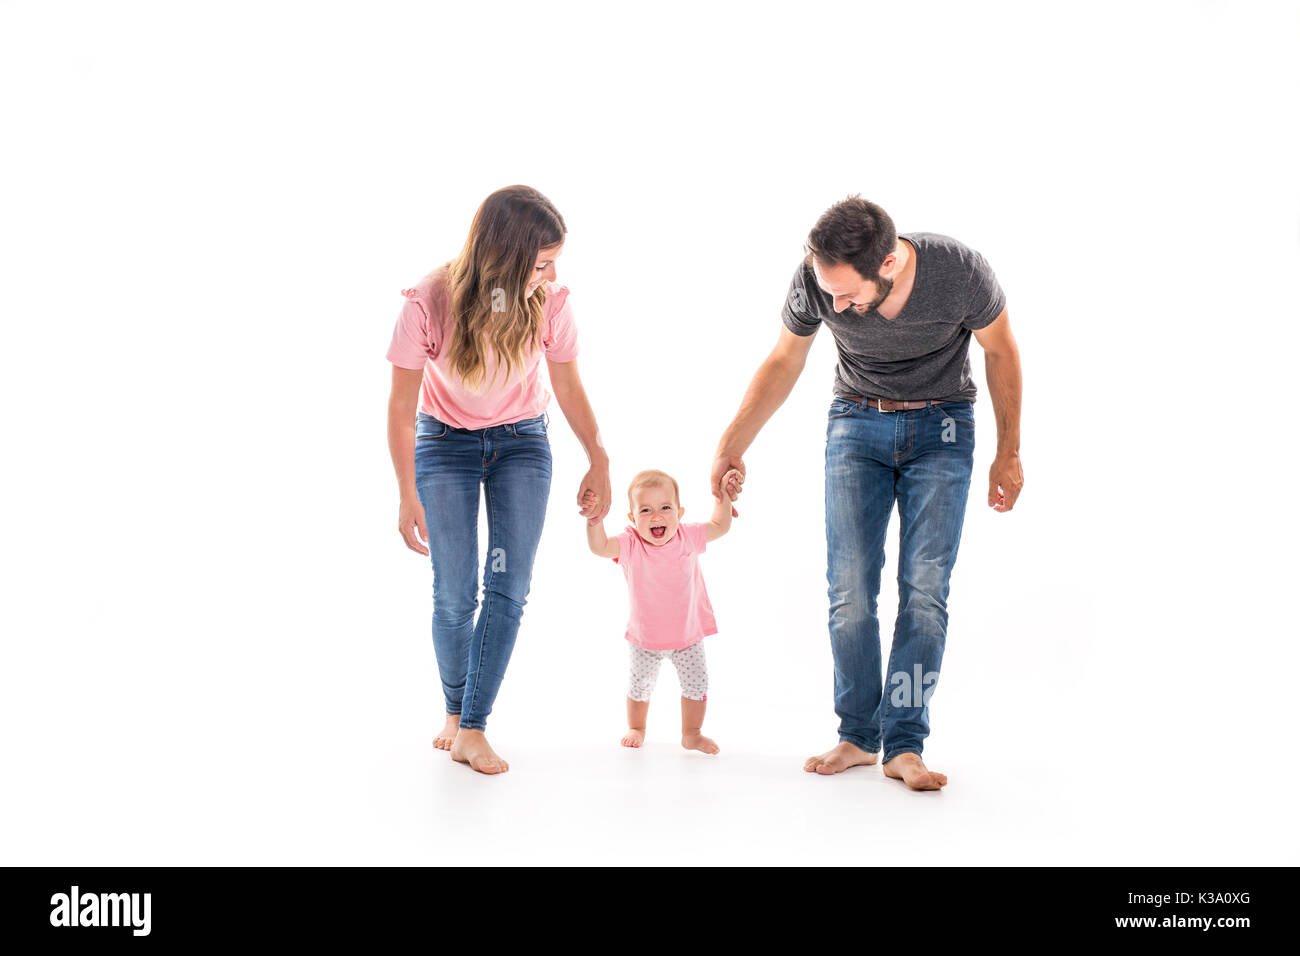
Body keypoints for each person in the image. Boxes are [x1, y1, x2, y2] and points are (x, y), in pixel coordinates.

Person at [711, 196, 1024, 790]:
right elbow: (785, 358)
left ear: (888, 263)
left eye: (847, 293)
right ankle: (857, 733)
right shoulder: (816, 277)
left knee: (925, 588)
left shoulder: (959, 271)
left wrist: (1007, 452)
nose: (837, 306)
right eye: (828, 290)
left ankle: (905, 745)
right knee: (850, 587)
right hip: (855, 422)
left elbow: (1001, 349)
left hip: (945, 427)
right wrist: (732, 444)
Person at [385, 185, 612, 775]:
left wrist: (598, 455)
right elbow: (400, 406)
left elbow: (566, 384)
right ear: (506, 256)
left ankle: (474, 727)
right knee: (455, 594)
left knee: (508, 588)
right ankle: (455, 714)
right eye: (541, 263)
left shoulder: (550, 303)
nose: (553, 273)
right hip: (444, 445)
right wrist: (406, 491)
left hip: (522, 445)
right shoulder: (429, 302)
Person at [583, 469, 741, 754]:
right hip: (645, 640)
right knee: (639, 687)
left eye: (665, 508)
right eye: (646, 510)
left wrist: (724, 498)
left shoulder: (688, 536)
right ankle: (637, 727)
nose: (657, 516)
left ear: (679, 512)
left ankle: (692, 733)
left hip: (688, 637)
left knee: (697, 686)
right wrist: (595, 521)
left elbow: (720, 525)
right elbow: (600, 547)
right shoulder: (631, 543)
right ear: (632, 518)